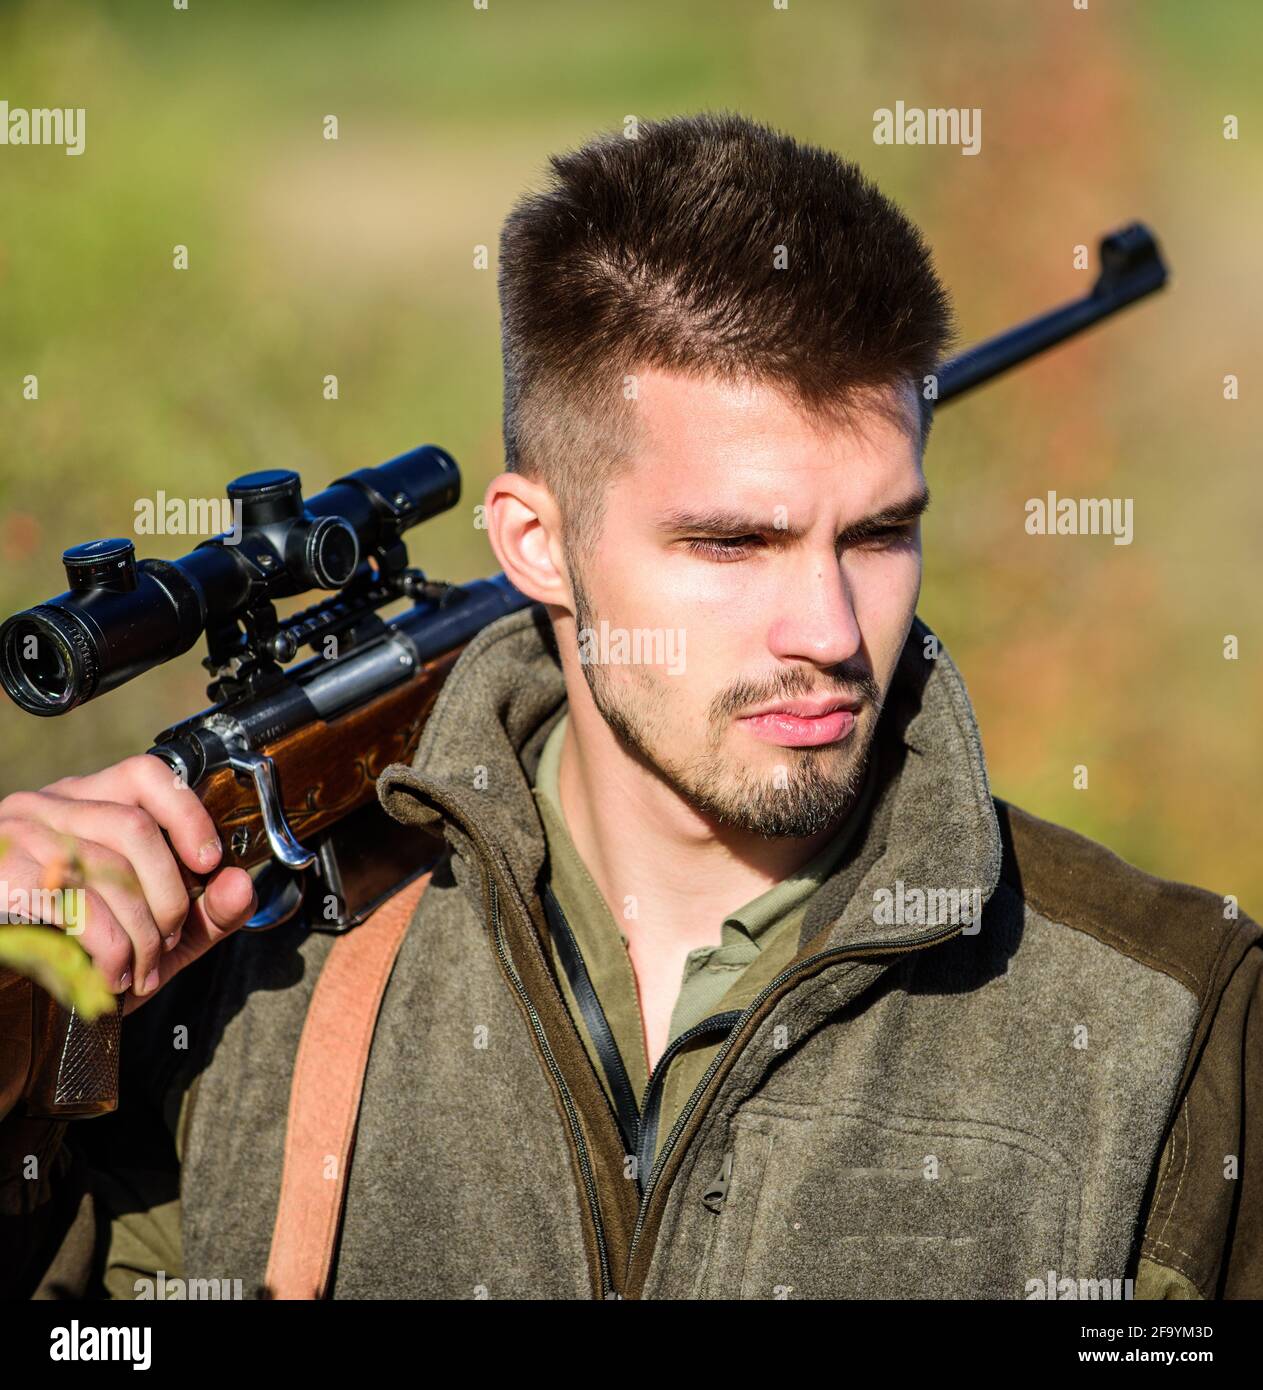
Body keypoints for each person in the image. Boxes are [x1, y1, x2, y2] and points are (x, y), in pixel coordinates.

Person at [1, 111, 1258, 1301]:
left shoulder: (1165, 1014)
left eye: (877, 534)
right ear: (536, 544)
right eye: (731, 544)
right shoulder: (225, 990)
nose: (828, 631)